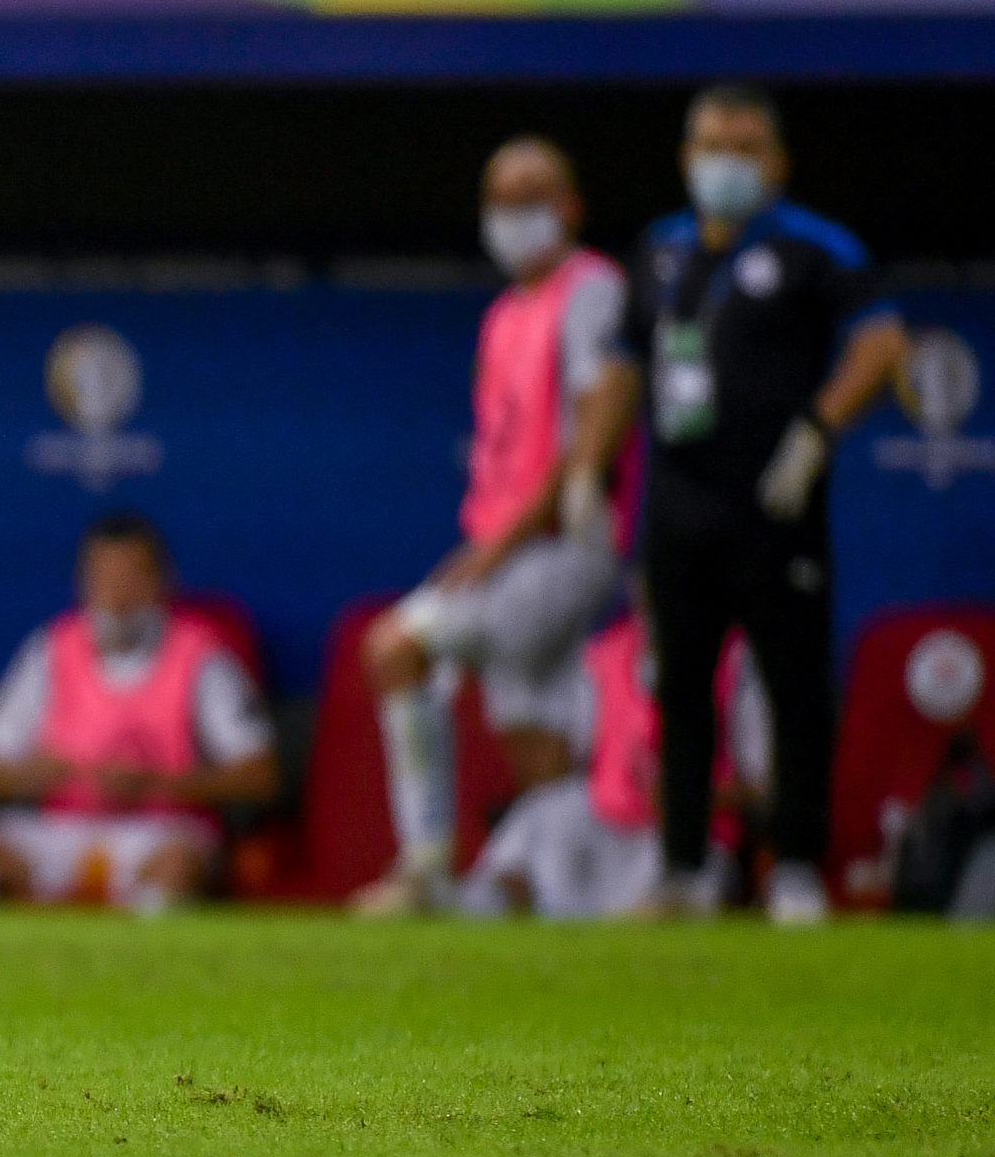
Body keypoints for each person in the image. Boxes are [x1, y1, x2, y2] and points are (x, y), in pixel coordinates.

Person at [562, 83, 907, 925]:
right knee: (679, 687)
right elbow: (623, 367)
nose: (727, 162)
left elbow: (883, 341)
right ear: (686, 158)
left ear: (777, 161)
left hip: (775, 499)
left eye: (746, 147)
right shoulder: (659, 250)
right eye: (713, 145)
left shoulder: (815, 248)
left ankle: (793, 866)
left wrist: (817, 433)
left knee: (793, 686)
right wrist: (585, 467)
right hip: (679, 507)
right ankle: (683, 867)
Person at [351, 138, 628, 916]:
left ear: (570, 206)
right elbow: (507, 455)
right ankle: (580, 898)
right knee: (540, 752)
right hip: (506, 553)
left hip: (559, 545)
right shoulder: (505, 314)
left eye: (533, 194)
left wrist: (497, 549)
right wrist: (482, 548)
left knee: (396, 646)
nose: (515, 215)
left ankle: (425, 865)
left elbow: (590, 428)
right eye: (500, 199)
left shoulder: (594, 289)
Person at [0, 512, 278, 913]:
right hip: (62, 832)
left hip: (157, 834)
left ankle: (146, 969)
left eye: (131, 578)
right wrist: (37, 774)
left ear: (163, 580)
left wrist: (155, 783)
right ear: (83, 582)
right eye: (105, 578)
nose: (118, 595)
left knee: (177, 864)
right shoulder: (51, 648)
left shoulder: (202, 655)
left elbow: (258, 776)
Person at [458, 613, 771, 919]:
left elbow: (765, 786)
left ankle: (650, 920)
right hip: (605, 812)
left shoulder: (738, 659)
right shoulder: (607, 652)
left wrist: (695, 794)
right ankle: (484, 897)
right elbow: (572, 756)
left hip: (690, 826)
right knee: (547, 808)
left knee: (682, 875)